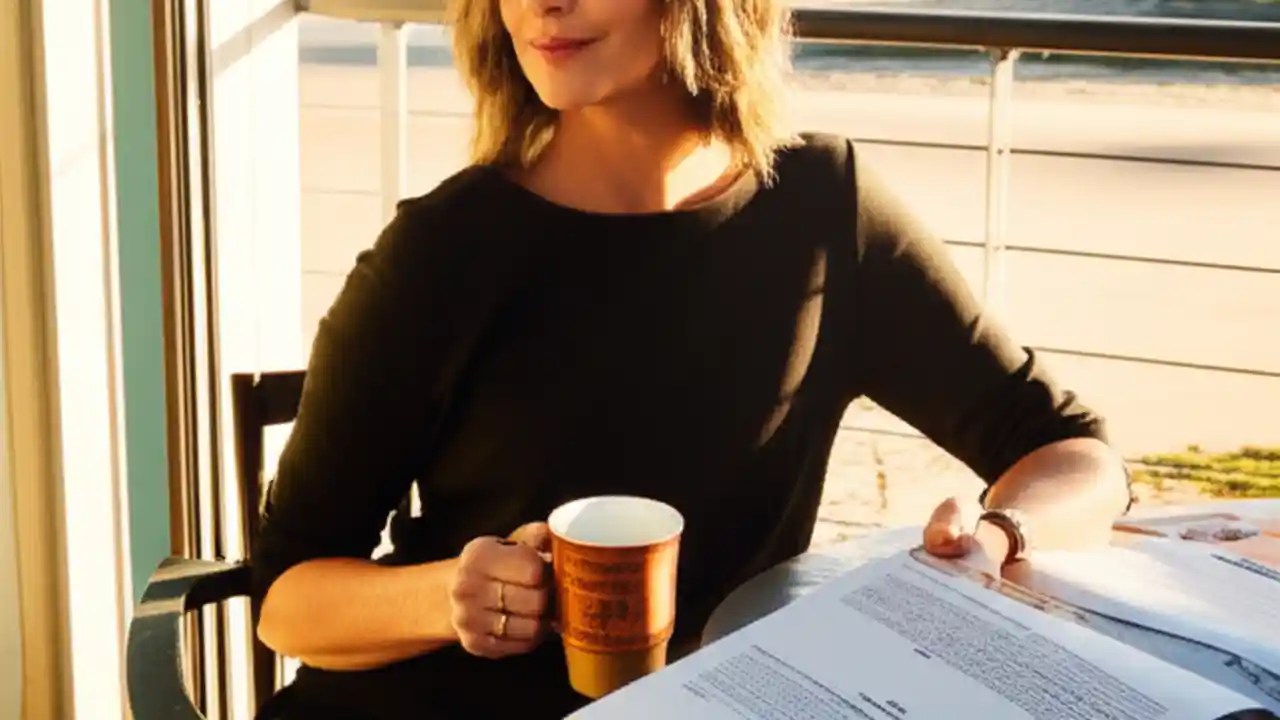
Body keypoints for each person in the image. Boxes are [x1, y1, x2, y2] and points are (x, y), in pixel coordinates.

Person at [251, 0, 1133, 717]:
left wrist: (993, 538)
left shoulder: (826, 213)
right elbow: (285, 600)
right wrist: (448, 595)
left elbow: (1074, 453)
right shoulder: (441, 251)